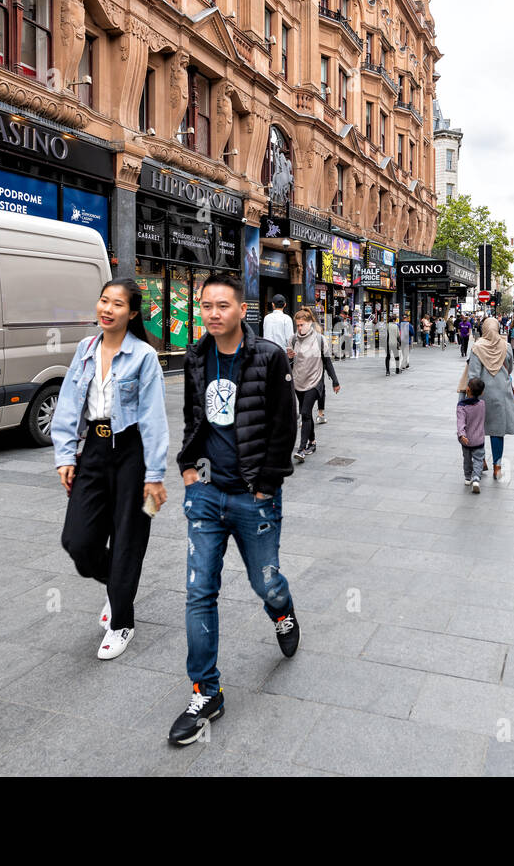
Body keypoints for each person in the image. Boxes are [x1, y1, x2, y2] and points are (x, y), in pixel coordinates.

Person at [171, 274, 299, 745]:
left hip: (253, 495)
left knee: (265, 580)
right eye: (205, 305)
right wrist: (188, 469)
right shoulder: (195, 355)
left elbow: (286, 424)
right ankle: (207, 691)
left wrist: (266, 485)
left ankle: (282, 612)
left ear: (242, 310)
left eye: (222, 305)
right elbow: (192, 415)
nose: (212, 313)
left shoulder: (267, 357)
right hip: (206, 492)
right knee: (199, 591)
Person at [52, 279, 169, 662]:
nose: (107, 309)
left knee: (127, 541)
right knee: (78, 541)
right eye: (104, 301)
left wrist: (155, 474)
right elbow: (69, 404)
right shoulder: (86, 350)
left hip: (132, 451)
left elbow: (153, 418)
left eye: (117, 304)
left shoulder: (143, 357)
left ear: (132, 313)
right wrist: (66, 455)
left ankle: (121, 621)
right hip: (96, 450)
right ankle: (115, 583)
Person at [464, 317, 514, 481]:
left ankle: (481, 462)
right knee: (497, 431)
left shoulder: (477, 348)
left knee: (477, 429)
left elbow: (473, 376)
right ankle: (497, 467)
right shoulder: (506, 346)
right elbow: (510, 368)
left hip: (482, 394)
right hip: (501, 395)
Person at [289, 307, 340, 463]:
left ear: (310, 323)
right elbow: (290, 364)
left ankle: (301, 449)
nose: (299, 328)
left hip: (315, 381)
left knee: (304, 413)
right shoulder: (292, 340)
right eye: (297, 325)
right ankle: (312, 442)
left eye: (302, 324)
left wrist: (335, 381)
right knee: (307, 414)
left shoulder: (319, 339)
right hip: (298, 381)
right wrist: (289, 358)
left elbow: (327, 362)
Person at [457, 376, 488, 494]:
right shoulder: (482, 404)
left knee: (467, 459)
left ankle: (467, 477)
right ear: (482, 392)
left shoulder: (461, 406)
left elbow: (460, 422)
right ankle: (476, 479)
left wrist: (461, 435)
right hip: (479, 440)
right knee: (479, 459)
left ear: (468, 390)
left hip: (466, 440)